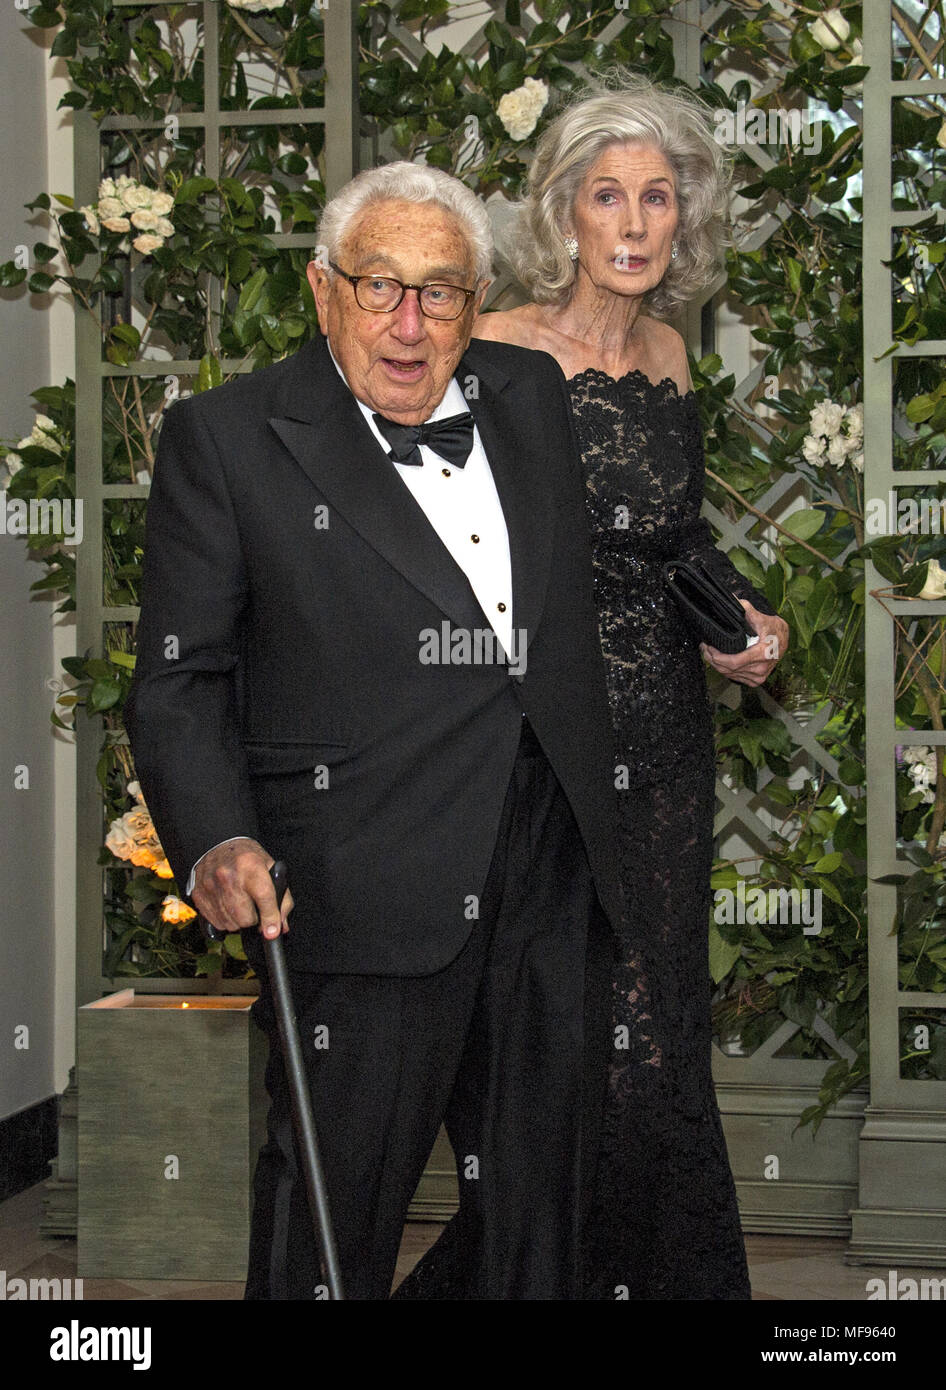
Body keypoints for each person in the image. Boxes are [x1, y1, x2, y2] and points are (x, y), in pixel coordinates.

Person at [124, 160, 624, 1301]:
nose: (409, 324)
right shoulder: (229, 437)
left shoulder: (531, 390)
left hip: (546, 864)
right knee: (331, 1219)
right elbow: (178, 678)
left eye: (440, 292)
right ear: (320, 290)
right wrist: (212, 840)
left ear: (477, 297)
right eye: (379, 287)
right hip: (354, 884)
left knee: (540, 1214)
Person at [394, 77, 790, 1301]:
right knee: (565, 1048)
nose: (632, 221)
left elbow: (672, 544)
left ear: (684, 220)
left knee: (662, 1032)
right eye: (605, 195)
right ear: (563, 214)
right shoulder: (499, 348)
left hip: (667, 744)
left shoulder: (671, 351)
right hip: (541, 747)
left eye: (656, 197)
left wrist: (745, 625)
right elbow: (432, 553)